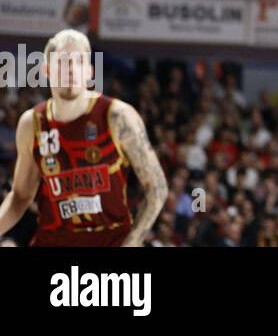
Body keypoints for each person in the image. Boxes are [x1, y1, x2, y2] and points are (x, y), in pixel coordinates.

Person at [0, 29, 167, 246]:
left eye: (79, 61)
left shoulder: (118, 116)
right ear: (47, 70)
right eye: (63, 61)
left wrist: (132, 242)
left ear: (89, 71)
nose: (71, 68)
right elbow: (20, 197)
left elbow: (157, 187)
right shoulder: (31, 123)